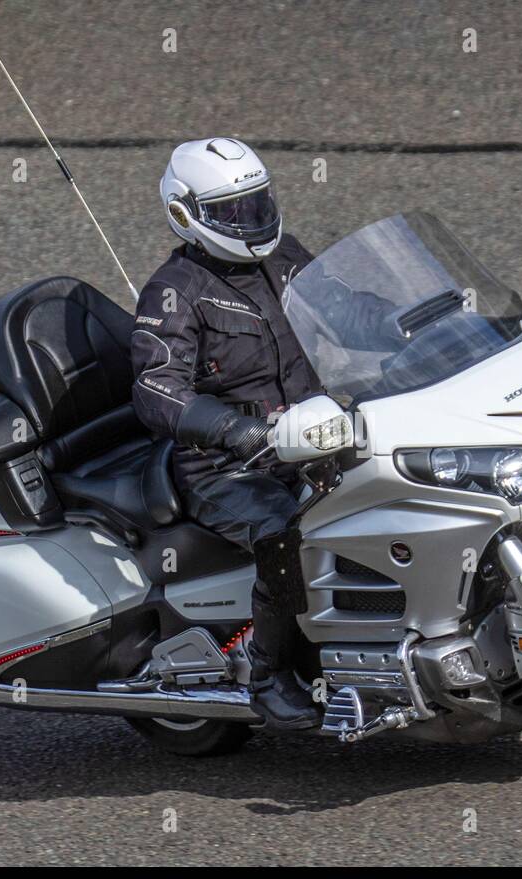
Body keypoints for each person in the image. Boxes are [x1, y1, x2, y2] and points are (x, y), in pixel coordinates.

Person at [129, 137, 324, 730]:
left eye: (256, 203)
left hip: (310, 435)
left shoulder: (285, 256)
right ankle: (269, 675)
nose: (250, 220)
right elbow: (156, 388)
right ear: (184, 212)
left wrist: (435, 325)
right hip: (225, 467)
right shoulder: (174, 291)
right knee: (284, 528)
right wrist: (237, 432)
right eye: (232, 211)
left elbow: (346, 307)